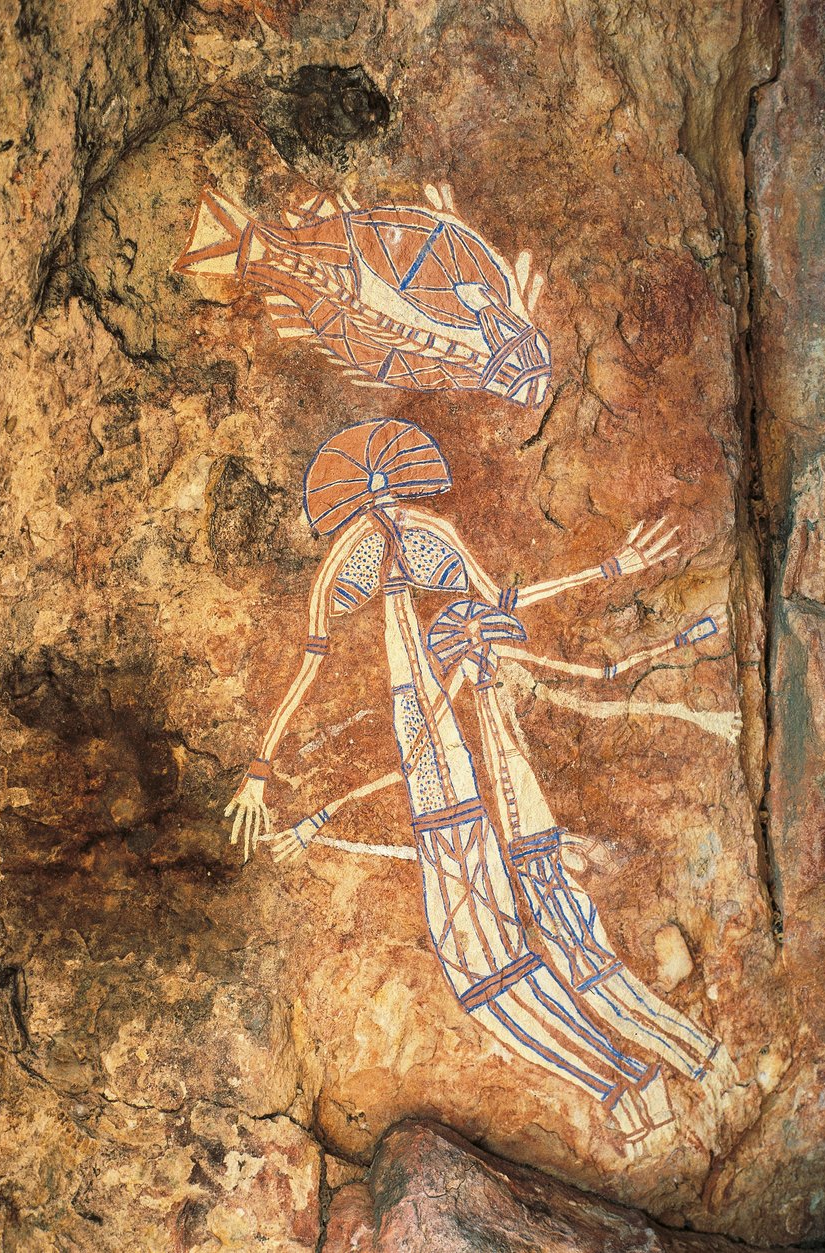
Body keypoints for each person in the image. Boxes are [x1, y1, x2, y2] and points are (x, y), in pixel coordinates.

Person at [226, 417, 679, 1140]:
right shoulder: (369, 552)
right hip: (437, 753)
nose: (385, 515)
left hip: (447, 759)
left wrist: (608, 572)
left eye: (386, 501)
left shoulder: (408, 544)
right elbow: (333, 653)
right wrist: (259, 769)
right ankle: (625, 1083)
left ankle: (627, 1084)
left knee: (485, 970)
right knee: (487, 967)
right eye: (377, 505)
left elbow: (493, 607)